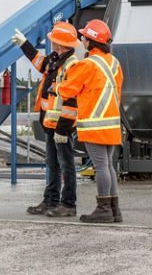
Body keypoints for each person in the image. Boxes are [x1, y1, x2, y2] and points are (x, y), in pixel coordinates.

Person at [57, 19, 124, 223]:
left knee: (101, 166)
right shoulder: (114, 63)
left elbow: (68, 89)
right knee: (108, 165)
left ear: (89, 41)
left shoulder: (88, 64)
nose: (82, 39)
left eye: (84, 36)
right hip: (112, 123)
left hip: (95, 124)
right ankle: (114, 210)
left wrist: (58, 85)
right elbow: (118, 90)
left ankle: (103, 209)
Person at [12, 22, 81, 217]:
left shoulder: (72, 66)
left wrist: (63, 129)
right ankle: (51, 201)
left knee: (66, 165)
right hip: (50, 123)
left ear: (60, 44)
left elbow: (71, 101)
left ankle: (68, 205)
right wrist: (24, 44)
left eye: (53, 41)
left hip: (61, 126)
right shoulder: (54, 60)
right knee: (52, 164)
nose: (51, 44)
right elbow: (37, 61)